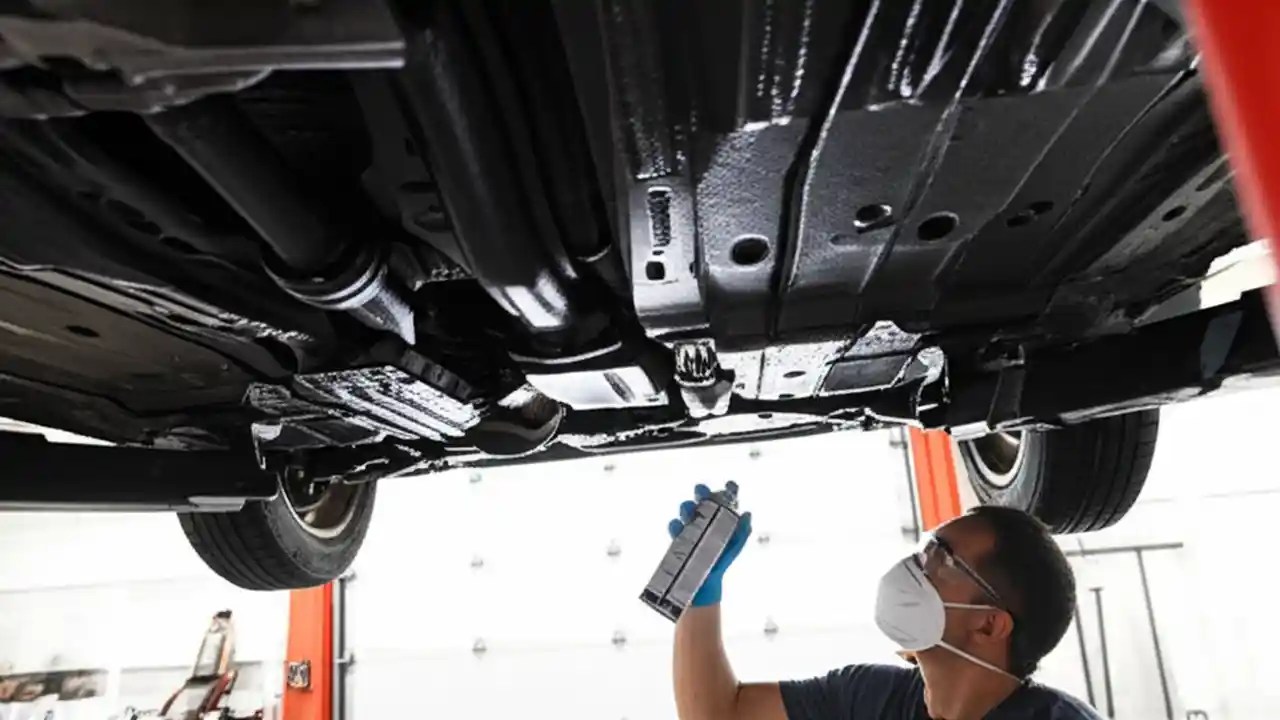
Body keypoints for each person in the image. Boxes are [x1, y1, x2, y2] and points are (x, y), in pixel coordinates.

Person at [670, 484, 1100, 720]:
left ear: (988, 625)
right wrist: (698, 586)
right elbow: (719, 714)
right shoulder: (870, 697)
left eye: (941, 558)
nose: (913, 568)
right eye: (924, 549)